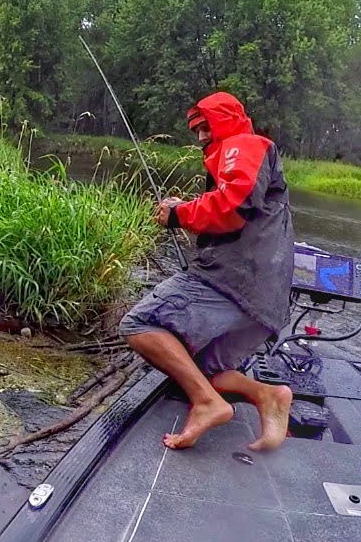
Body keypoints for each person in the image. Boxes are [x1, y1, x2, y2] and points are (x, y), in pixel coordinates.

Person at [119, 90, 294, 451]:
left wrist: (180, 213)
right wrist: (185, 209)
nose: (200, 136)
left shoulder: (244, 144)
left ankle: (207, 404)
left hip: (233, 281)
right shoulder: (244, 155)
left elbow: (234, 206)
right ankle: (268, 395)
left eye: (204, 126)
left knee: (139, 324)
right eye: (195, 129)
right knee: (203, 368)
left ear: (224, 119)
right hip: (267, 301)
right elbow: (237, 208)